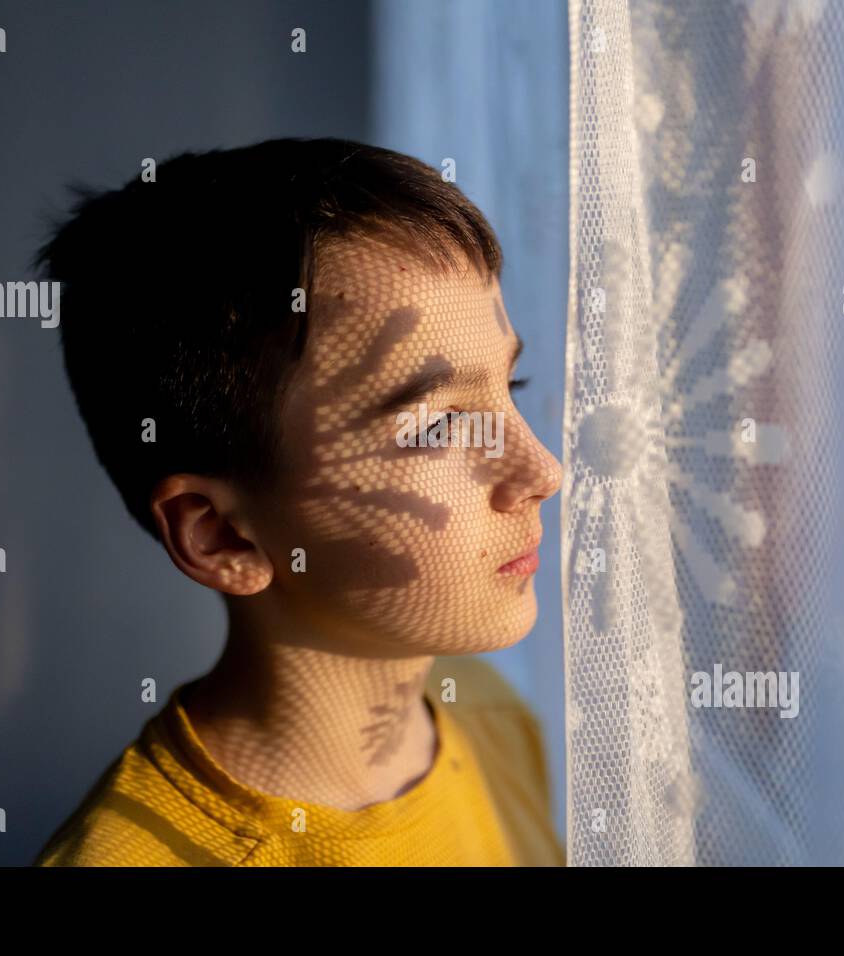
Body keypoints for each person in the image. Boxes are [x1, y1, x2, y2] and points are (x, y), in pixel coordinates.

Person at [32, 138, 565, 866]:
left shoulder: (490, 716)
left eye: (512, 389)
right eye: (441, 426)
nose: (543, 470)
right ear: (222, 537)